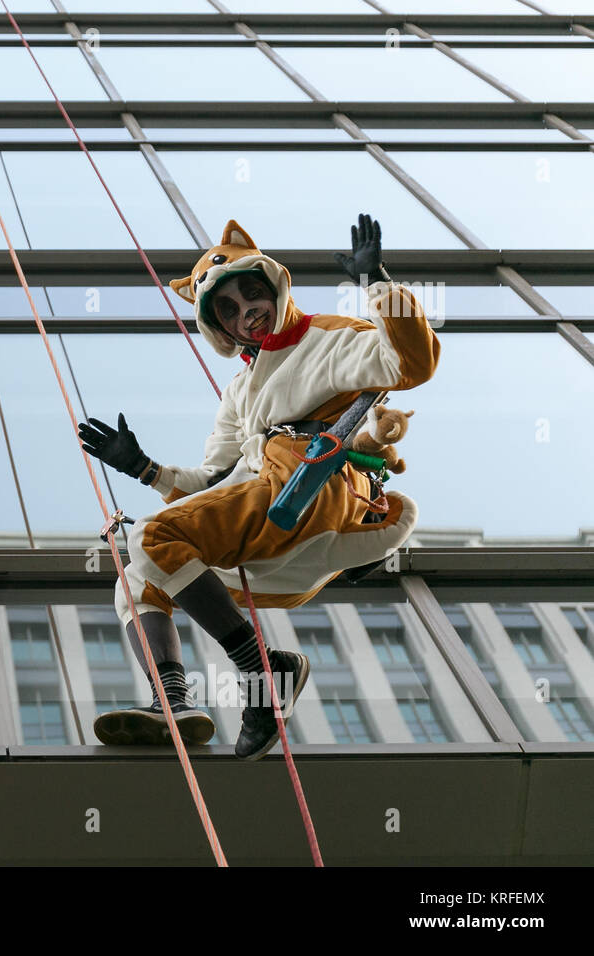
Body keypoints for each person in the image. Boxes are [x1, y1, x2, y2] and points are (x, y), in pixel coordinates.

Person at [80, 214, 439, 759]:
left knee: (152, 537)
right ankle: (172, 700)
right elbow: (215, 483)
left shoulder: (328, 338)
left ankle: (261, 672)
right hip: (274, 520)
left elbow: (411, 362)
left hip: (317, 485)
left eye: (253, 295)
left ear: (274, 287)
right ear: (219, 329)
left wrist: (378, 285)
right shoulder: (239, 392)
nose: (247, 313)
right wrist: (144, 468)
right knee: (136, 578)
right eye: (229, 311)